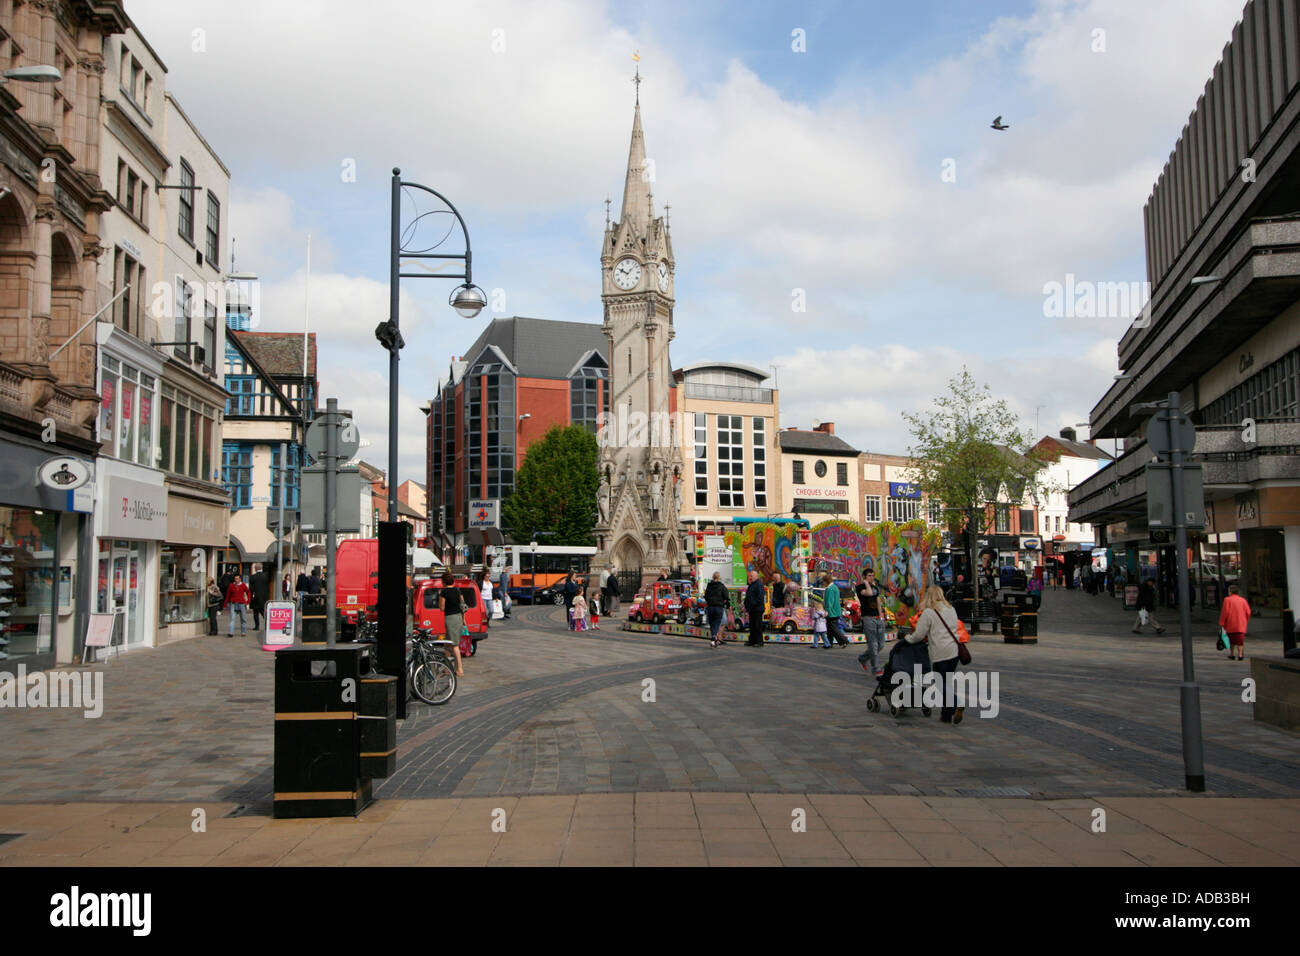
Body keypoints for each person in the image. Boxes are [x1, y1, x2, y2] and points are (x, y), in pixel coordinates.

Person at [904, 585, 964, 724]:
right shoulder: (951, 609)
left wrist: (908, 638)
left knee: (939, 684)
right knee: (947, 683)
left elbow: (919, 635)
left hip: (940, 652)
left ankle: (956, 703)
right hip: (954, 651)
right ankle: (946, 716)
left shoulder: (929, 612)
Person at [856, 568, 886, 676]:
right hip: (868, 618)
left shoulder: (874, 587)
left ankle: (863, 658)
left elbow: (878, 601)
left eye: (873, 575)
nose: (872, 577)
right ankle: (875, 668)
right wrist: (866, 583)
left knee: (881, 644)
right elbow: (868, 593)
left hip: (877, 618)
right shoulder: (860, 587)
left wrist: (881, 615)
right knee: (873, 645)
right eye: (869, 575)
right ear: (864, 577)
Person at [437, 570, 466, 677]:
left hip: (450, 618)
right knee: (447, 643)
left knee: (454, 644)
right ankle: (446, 667)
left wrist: (439, 597)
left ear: (444, 582)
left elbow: (441, 608)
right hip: (458, 617)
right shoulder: (457, 591)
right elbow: (463, 605)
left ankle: (460, 669)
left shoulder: (444, 592)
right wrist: (464, 619)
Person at [1219, 584, 1251, 661]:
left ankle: (1232, 654)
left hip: (1231, 623)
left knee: (1231, 639)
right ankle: (1240, 655)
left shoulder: (1227, 600)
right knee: (1240, 640)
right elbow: (1248, 612)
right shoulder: (1243, 600)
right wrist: (1245, 620)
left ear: (1230, 592)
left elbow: (1225, 612)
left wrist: (1222, 622)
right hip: (1241, 623)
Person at [704, 571, 729, 648]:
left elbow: (706, 596)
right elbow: (726, 596)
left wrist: (709, 601)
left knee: (712, 624)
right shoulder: (722, 586)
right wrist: (726, 603)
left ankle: (713, 640)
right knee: (717, 624)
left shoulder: (709, 585)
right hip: (718, 607)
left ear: (713, 577)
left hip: (710, 607)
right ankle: (714, 637)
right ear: (719, 578)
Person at [822, 574, 847, 647]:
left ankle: (844, 640)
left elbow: (830, 600)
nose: (823, 584)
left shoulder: (830, 589)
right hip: (836, 611)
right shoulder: (835, 587)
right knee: (830, 628)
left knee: (833, 628)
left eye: (823, 582)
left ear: (826, 581)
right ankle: (830, 643)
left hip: (832, 612)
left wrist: (827, 610)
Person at [743, 570, 766, 647]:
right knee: (752, 626)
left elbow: (760, 597)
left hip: (757, 609)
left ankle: (759, 642)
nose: (750, 577)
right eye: (750, 576)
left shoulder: (759, 585)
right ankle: (752, 641)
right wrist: (746, 604)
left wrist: (752, 604)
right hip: (752, 609)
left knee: (757, 626)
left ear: (756, 576)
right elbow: (749, 595)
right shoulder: (752, 584)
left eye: (751, 576)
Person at [249, 563, 270, 633]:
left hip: (256, 597)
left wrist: (250, 597)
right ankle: (268, 625)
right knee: (263, 612)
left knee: (255, 613)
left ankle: (257, 626)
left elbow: (251, 589)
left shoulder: (252, 577)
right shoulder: (266, 576)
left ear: (255, 568)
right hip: (264, 597)